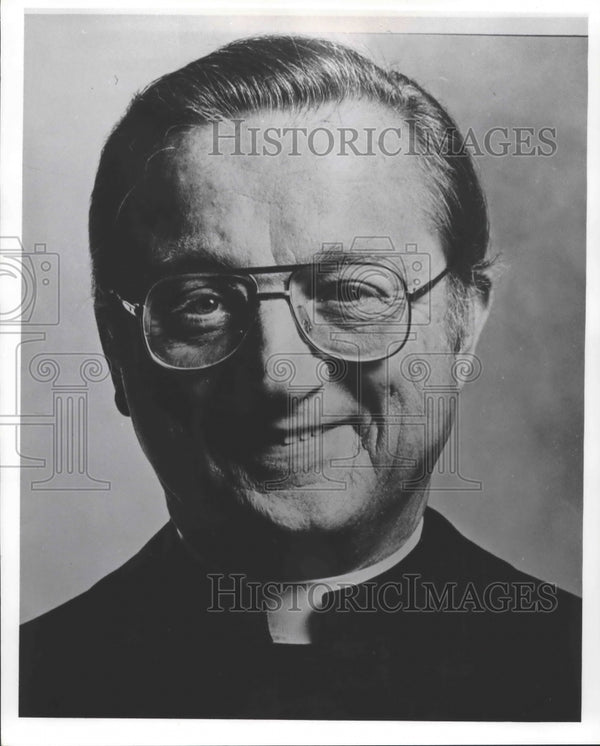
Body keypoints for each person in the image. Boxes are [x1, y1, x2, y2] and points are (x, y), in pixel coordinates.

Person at [19, 34, 581, 720]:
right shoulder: (28, 687)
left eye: (350, 290)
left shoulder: (578, 672)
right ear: (116, 350)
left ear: (464, 323)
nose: (279, 377)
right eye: (202, 302)